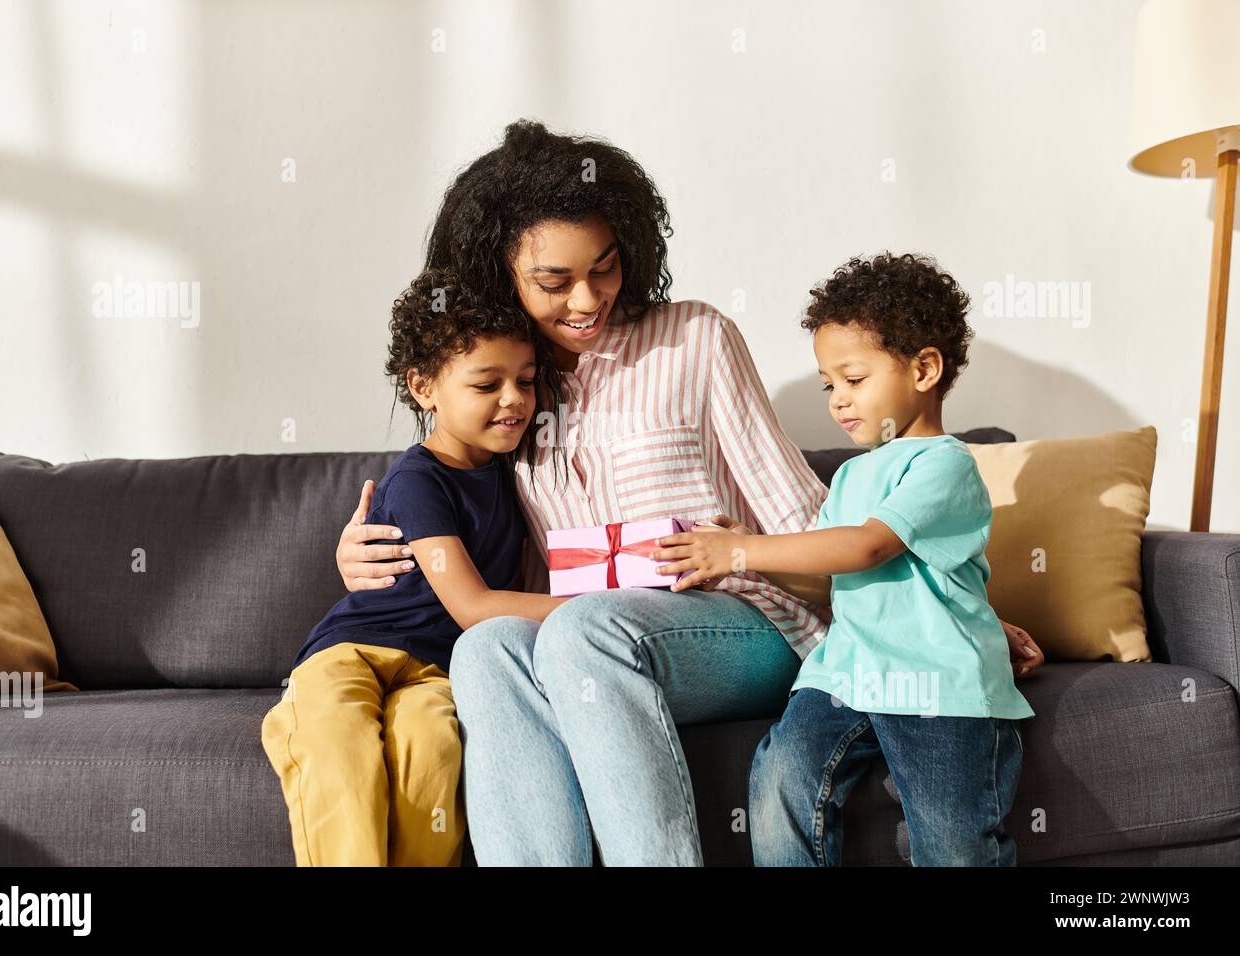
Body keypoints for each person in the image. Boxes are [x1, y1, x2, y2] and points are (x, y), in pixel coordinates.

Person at [334, 120, 1044, 866]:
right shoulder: (505, 389)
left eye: (604, 268)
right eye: (553, 282)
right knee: (485, 650)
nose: (586, 299)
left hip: (743, 625)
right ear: (499, 276)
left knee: (586, 630)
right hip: (587, 645)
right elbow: (444, 499)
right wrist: (373, 549)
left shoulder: (696, 339)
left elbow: (809, 517)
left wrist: (965, 612)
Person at [653, 252, 1037, 866]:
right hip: (846, 674)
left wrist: (745, 548)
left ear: (925, 369)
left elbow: (867, 546)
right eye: (830, 384)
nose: (838, 400)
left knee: (955, 844)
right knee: (781, 778)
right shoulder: (852, 475)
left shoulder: (944, 463)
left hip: (936, 681)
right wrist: (744, 559)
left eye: (854, 380)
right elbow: (826, 582)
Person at [261, 267, 565, 866]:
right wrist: (594, 611)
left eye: (526, 381)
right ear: (424, 387)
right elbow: (473, 606)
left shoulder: (519, 472)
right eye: (487, 384)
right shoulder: (420, 477)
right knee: (342, 755)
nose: (514, 400)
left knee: (430, 759)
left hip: (434, 671)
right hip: (353, 653)